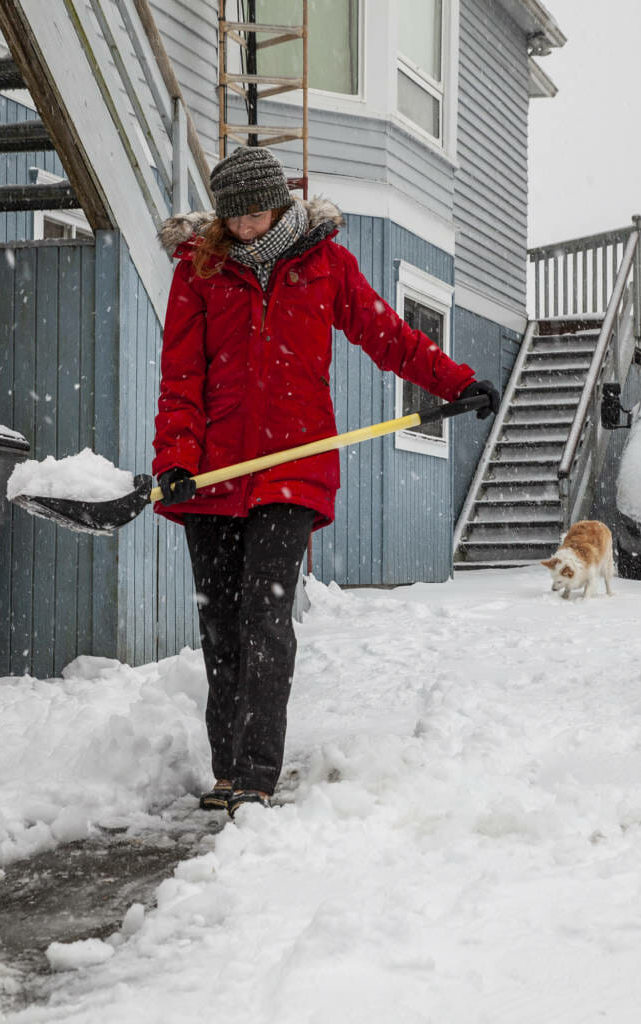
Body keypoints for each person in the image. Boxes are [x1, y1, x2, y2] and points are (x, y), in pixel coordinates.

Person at [151, 147, 500, 816]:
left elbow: (386, 335)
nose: (248, 228)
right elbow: (181, 377)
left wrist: (453, 382)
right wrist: (177, 460)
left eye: (257, 213)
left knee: (265, 618)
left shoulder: (324, 263)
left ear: (279, 206)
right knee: (221, 624)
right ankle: (226, 767)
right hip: (217, 475)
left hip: (292, 467)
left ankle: (256, 770)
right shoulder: (199, 270)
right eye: (235, 218)